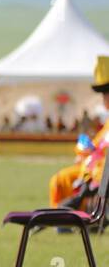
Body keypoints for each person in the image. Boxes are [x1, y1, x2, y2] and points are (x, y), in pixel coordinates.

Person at [47, 55, 109, 208]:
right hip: (91, 171)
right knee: (59, 180)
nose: (104, 100)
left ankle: (75, 213)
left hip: (99, 175)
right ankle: (61, 220)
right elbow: (96, 146)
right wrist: (85, 152)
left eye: (105, 95)